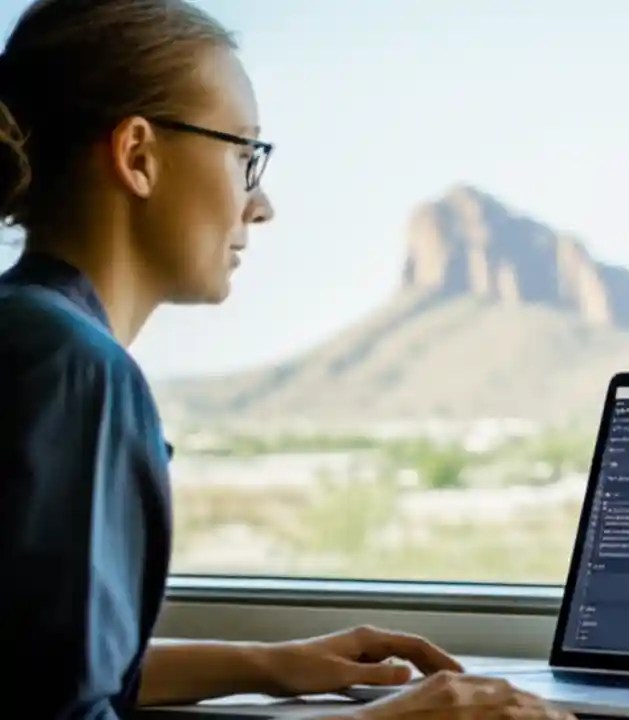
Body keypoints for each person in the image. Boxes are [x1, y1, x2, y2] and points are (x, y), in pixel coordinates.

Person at [0, 1, 573, 718]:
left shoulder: (27, 334)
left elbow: (37, 669)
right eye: (245, 156)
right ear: (138, 156)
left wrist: (270, 663)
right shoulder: (75, 368)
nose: (260, 204)